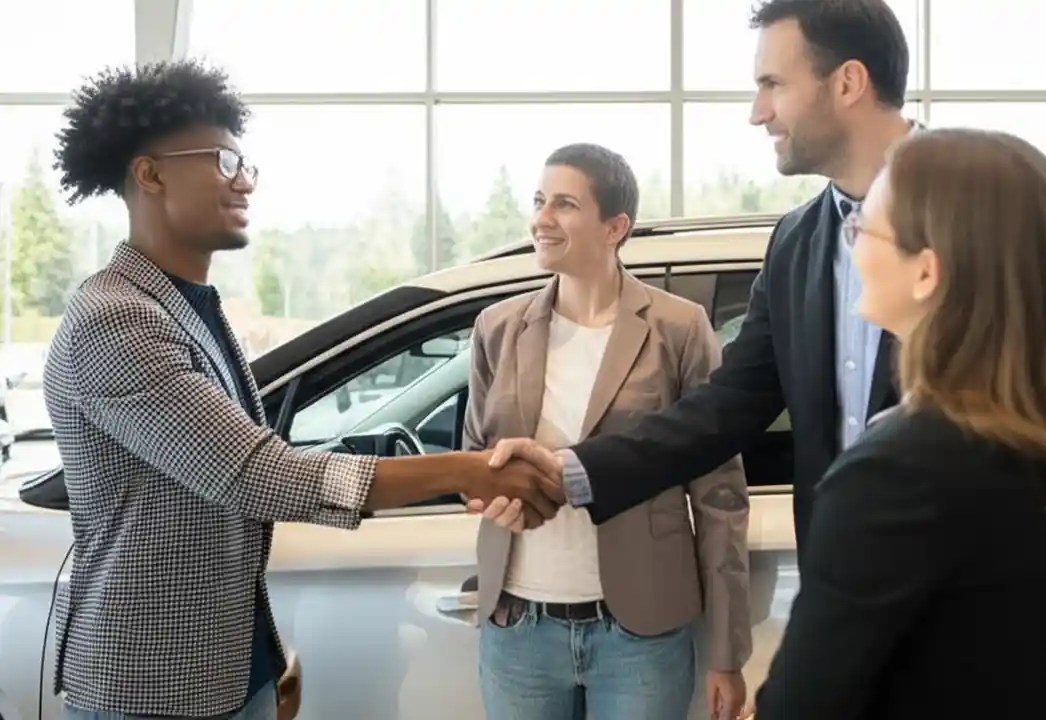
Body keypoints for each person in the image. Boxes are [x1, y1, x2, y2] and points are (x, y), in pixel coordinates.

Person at [45, 59, 562, 720]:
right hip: (154, 688)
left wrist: (266, 653)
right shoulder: (115, 321)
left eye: (244, 164)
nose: (244, 183)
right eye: (225, 160)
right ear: (150, 174)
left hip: (226, 670)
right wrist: (472, 470)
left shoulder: (184, 306)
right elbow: (257, 474)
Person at [477, 0, 918, 557]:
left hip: (974, 597)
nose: (758, 112)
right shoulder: (796, 242)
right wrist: (572, 469)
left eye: (773, 84)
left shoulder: (989, 213)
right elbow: (729, 406)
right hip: (840, 576)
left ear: (848, 82)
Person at [753, 127, 1046, 718]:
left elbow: (805, 704)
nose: (852, 248)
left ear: (926, 272)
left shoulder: (897, 470)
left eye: (862, 229)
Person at [466, 143, 751, 720]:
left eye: (565, 204)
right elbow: (473, 464)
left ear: (615, 226)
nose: (541, 219)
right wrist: (486, 498)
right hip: (519, 628)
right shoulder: (496, 328)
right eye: (540, 200)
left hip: (639, 635)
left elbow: (719, 495)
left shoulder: (678, 328)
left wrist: (727, 651)